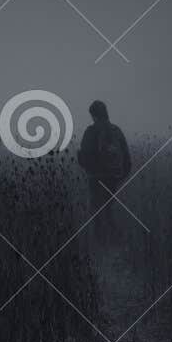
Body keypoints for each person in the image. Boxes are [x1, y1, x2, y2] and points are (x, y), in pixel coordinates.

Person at [76, 99, 130, 238]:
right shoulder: (116, 131)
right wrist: (120, 176)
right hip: (113, 177)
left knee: (96, 211)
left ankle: (101, 241)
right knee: (108, 210)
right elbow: (127, 159)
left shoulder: (90, 131)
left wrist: (85, 165)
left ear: (93, 115)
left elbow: (84, 158)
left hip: (95, 178)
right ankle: (116, 239)